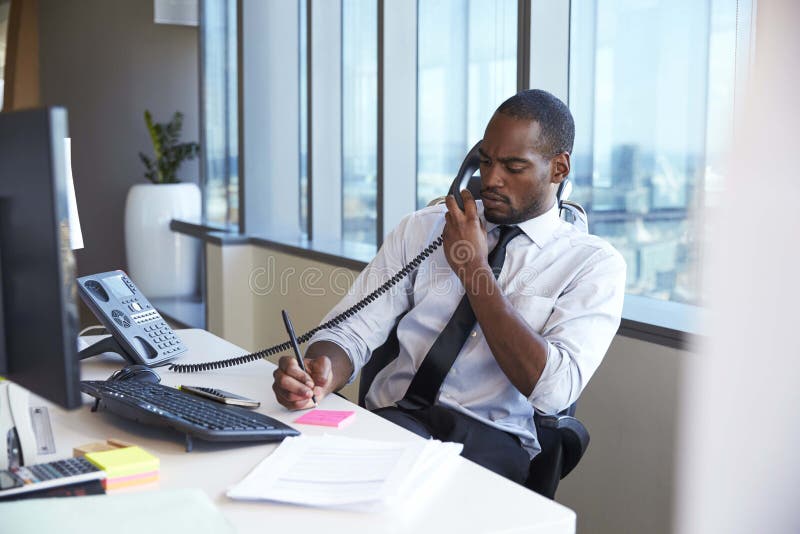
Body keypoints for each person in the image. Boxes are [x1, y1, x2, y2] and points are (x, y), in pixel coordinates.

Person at [271, 89, 626, 485]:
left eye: (513, 166)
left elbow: (554, 390)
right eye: (486, 162)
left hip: (493, 443)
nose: (491, 179)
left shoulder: (593, 263)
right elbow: (350, 329)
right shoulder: (423, 228)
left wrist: (473, 269)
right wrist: (322, 372)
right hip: (398, 422)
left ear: (559, 169)